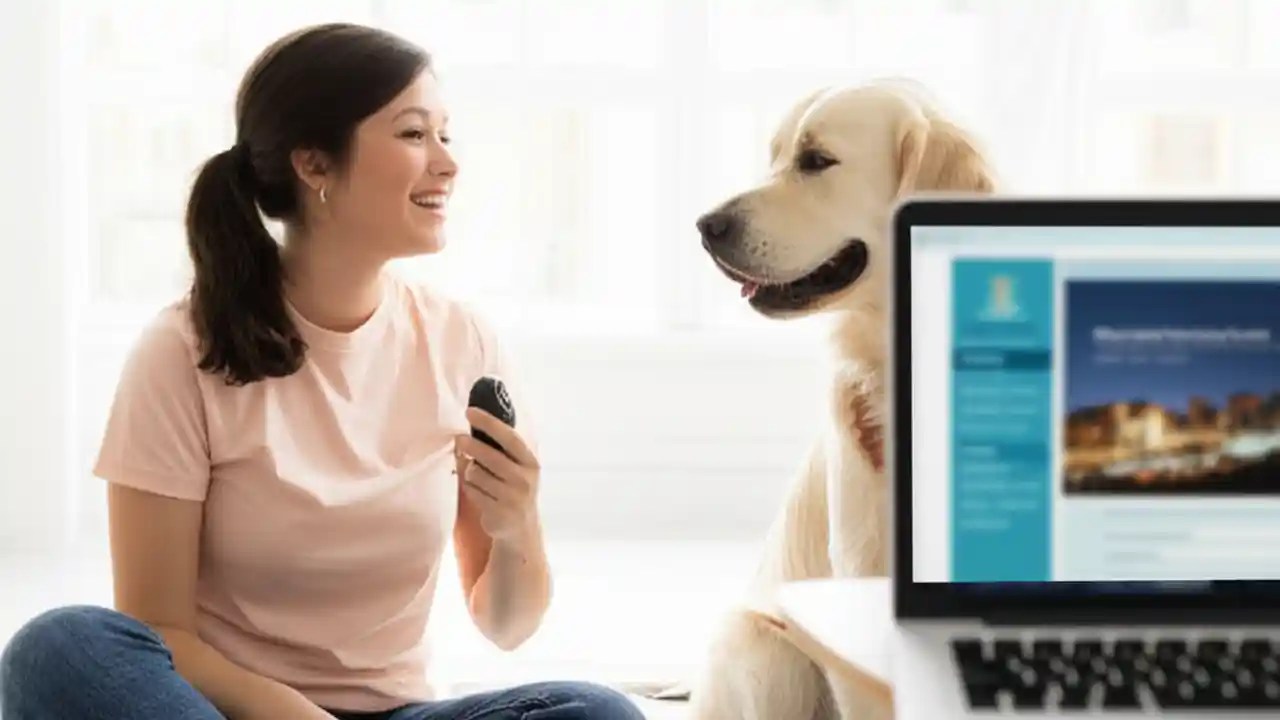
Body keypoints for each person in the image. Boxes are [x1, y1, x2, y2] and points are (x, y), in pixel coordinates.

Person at [0, 22, 644, 720]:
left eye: (445, 135)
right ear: (314, 165)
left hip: (396, 710)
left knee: (594, 711)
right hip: (226, 712)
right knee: (58, 646)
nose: (448, 163)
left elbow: (507, 626)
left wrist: (517, 524)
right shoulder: (180, 353)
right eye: (414, 134)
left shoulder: (462, 342)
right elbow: (160, 631)